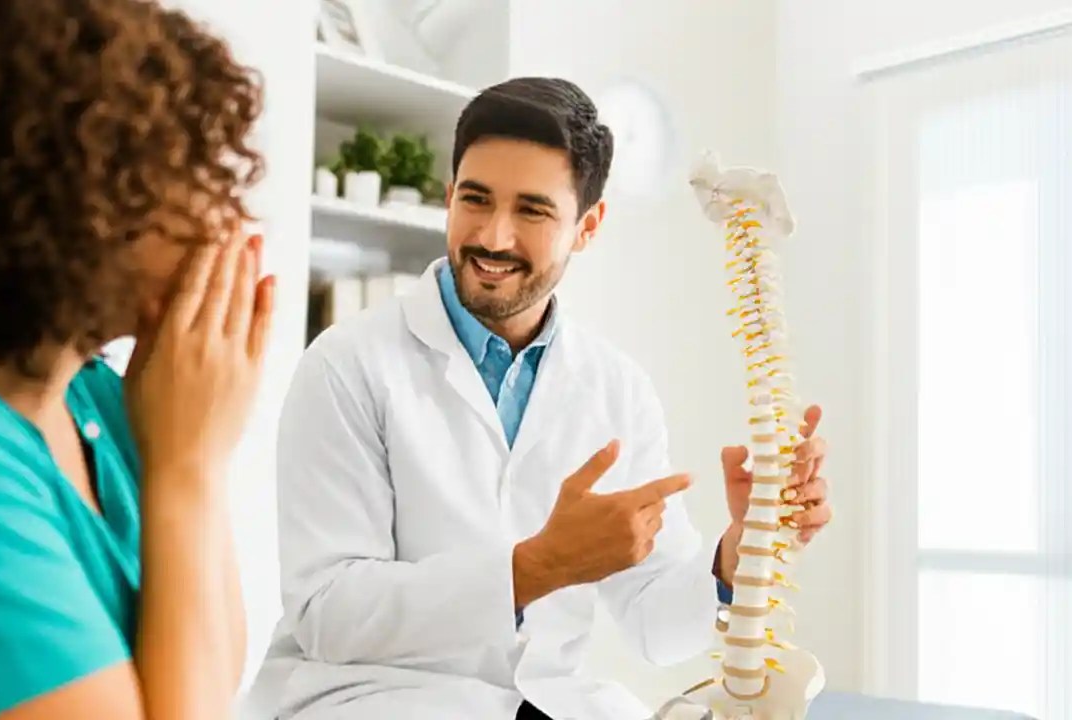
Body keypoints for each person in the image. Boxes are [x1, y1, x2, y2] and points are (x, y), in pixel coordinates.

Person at [257, 77, 833, 719]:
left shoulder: (616, 389)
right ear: (449, 197)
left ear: (587, 226)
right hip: (369, 701)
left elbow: (657, 626)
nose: (494, 237)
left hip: (548, 702)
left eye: (532, 211)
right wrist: (533, 569)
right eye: (475, 200)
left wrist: (739, 551)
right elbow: (328, 615)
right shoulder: (347, 365)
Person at [0, 1, 275, 718]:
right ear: (67, 193)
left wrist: (191, 459)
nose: (226, 222)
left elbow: (210, 678)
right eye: (189, 173)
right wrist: (187, 471)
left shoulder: (104, 402)